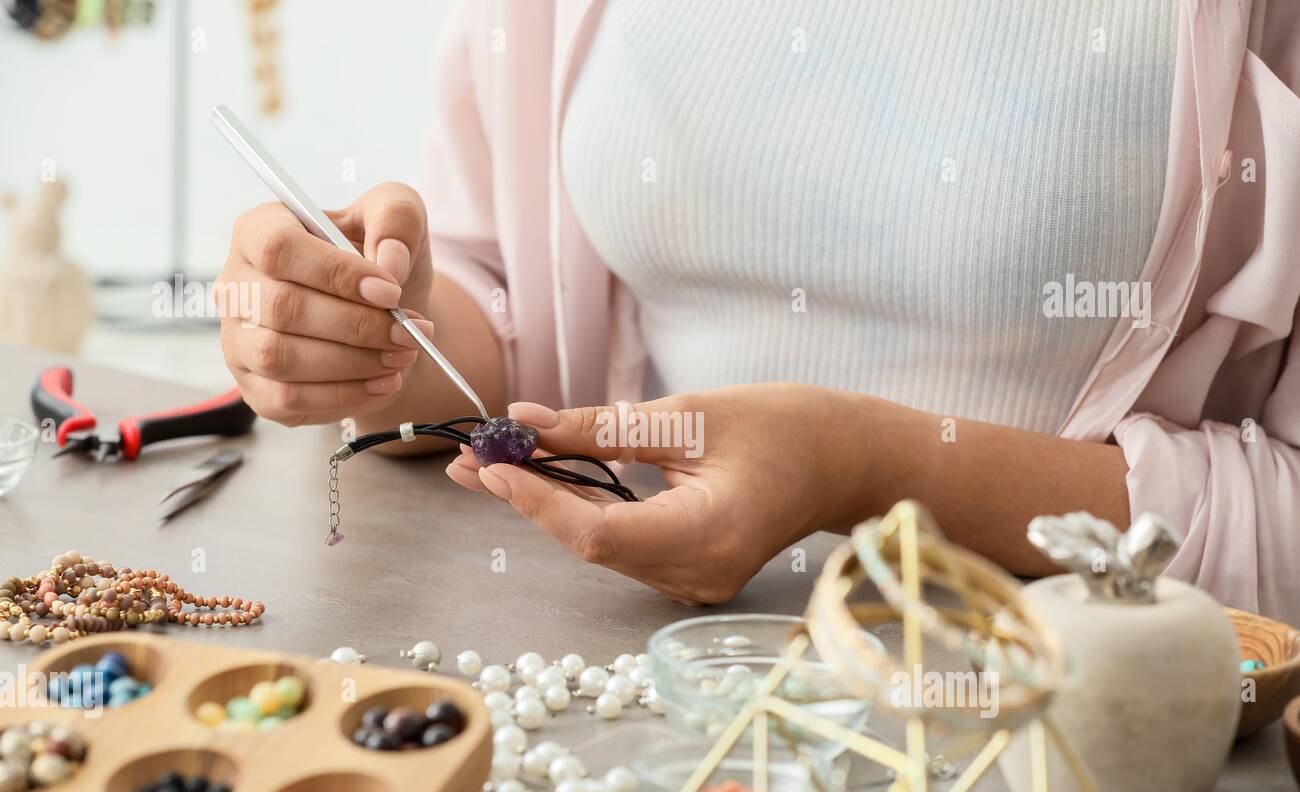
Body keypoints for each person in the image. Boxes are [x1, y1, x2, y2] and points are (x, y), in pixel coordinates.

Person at [217, 0, 1300, 619]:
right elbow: (493, 314)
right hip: (634, 666)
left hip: (1076, 747)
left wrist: (877, 469)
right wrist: (370, 332)